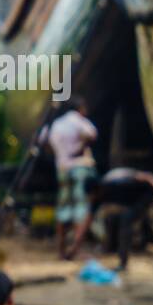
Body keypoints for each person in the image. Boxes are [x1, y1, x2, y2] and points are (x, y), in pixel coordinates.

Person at [44, 97, 98, 261]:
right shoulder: (79, 122)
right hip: (80, 167)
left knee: (63, 208)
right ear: (80, 108)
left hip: (62, 168)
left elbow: (42, 140)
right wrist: (80, 148)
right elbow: (92, 135)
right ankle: (74, 249)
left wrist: (60, 155)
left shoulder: (56, 125)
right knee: (82, 208)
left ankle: (61, 250)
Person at [91, 167, 153, 270]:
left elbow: (147, 176)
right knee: (113, 219)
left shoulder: (118, 183)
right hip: (130, 203)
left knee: (125, 221)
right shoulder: (98, 195)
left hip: (145, 195)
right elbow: (88, 218)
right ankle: (112, 250)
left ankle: (123, 261)